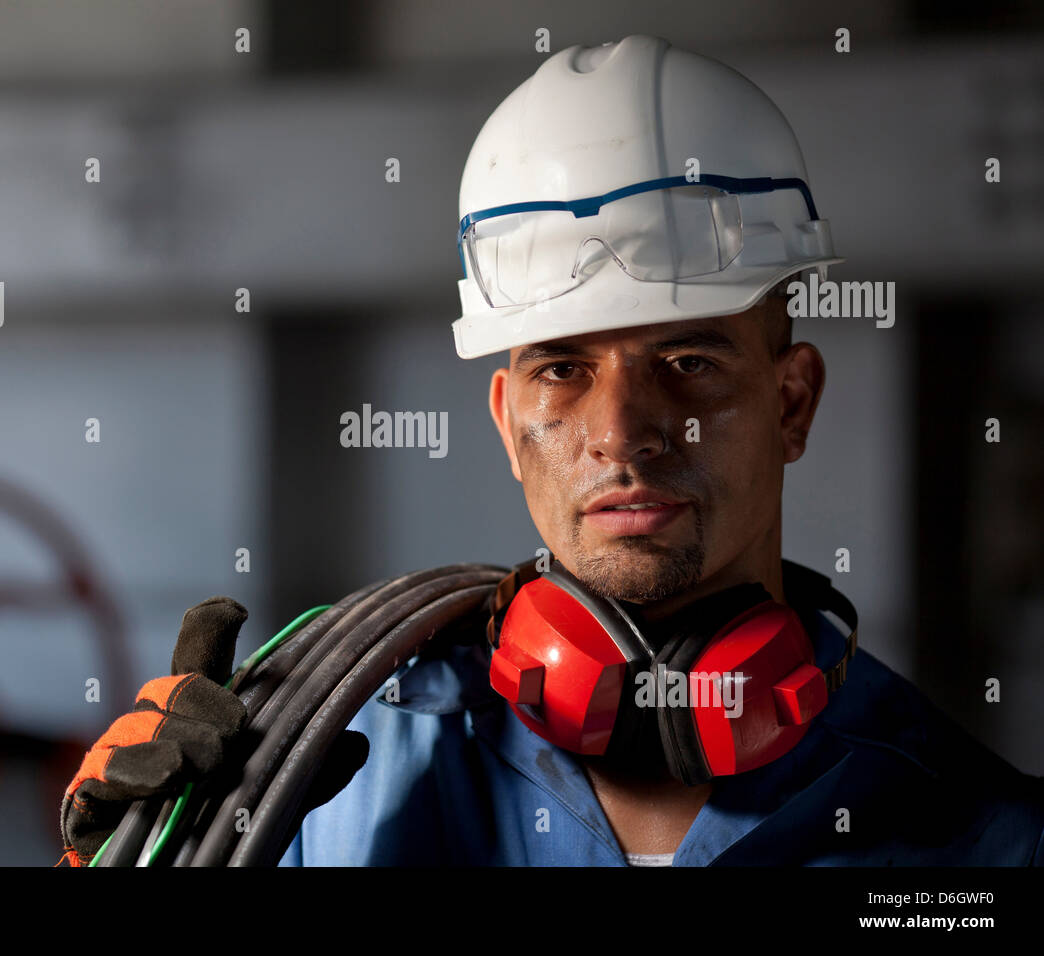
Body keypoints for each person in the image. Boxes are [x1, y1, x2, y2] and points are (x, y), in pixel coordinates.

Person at [61, 35, 1044, 867]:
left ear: (792, 401)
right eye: (562, 370)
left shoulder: (978, 836)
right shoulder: (326, 776)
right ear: (504, 419)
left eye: (689, 360)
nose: (621, 433)